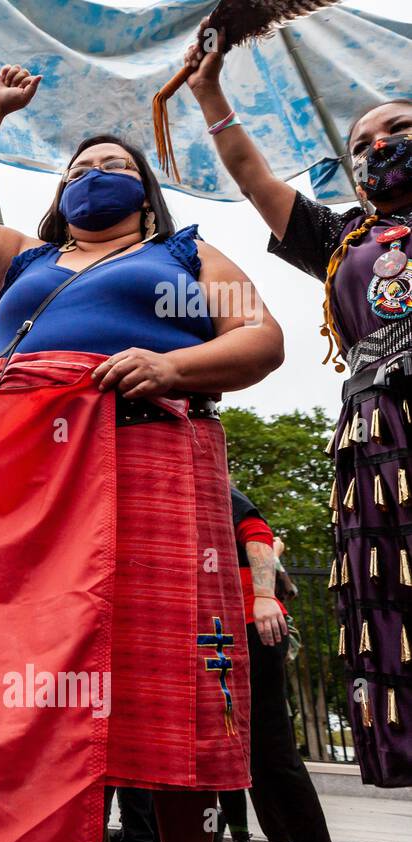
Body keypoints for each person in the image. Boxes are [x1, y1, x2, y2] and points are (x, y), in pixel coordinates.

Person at [0, 64, 284, 842]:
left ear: (147, 192)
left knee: (165, 680)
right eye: (82, 168)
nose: (97, 175)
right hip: (29, 480)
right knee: (33, 675)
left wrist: (170, 369)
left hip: (151, 462)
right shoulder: (24, 263)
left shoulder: (186, 257)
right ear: (60, 192)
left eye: (117, 167)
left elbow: (263, 342)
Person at [186, 24, 412, 790]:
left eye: (400, 129)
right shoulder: (343, 236)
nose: (382, 144)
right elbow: (255, 180)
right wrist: (210, 93)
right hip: (383, 442)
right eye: (365, 140)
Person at [228, 487, 343, 842]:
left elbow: (258, 536)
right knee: (251, 754)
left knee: (272, 747)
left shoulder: (221, 490)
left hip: (252, 627)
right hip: (221, 633)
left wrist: (263, 596)